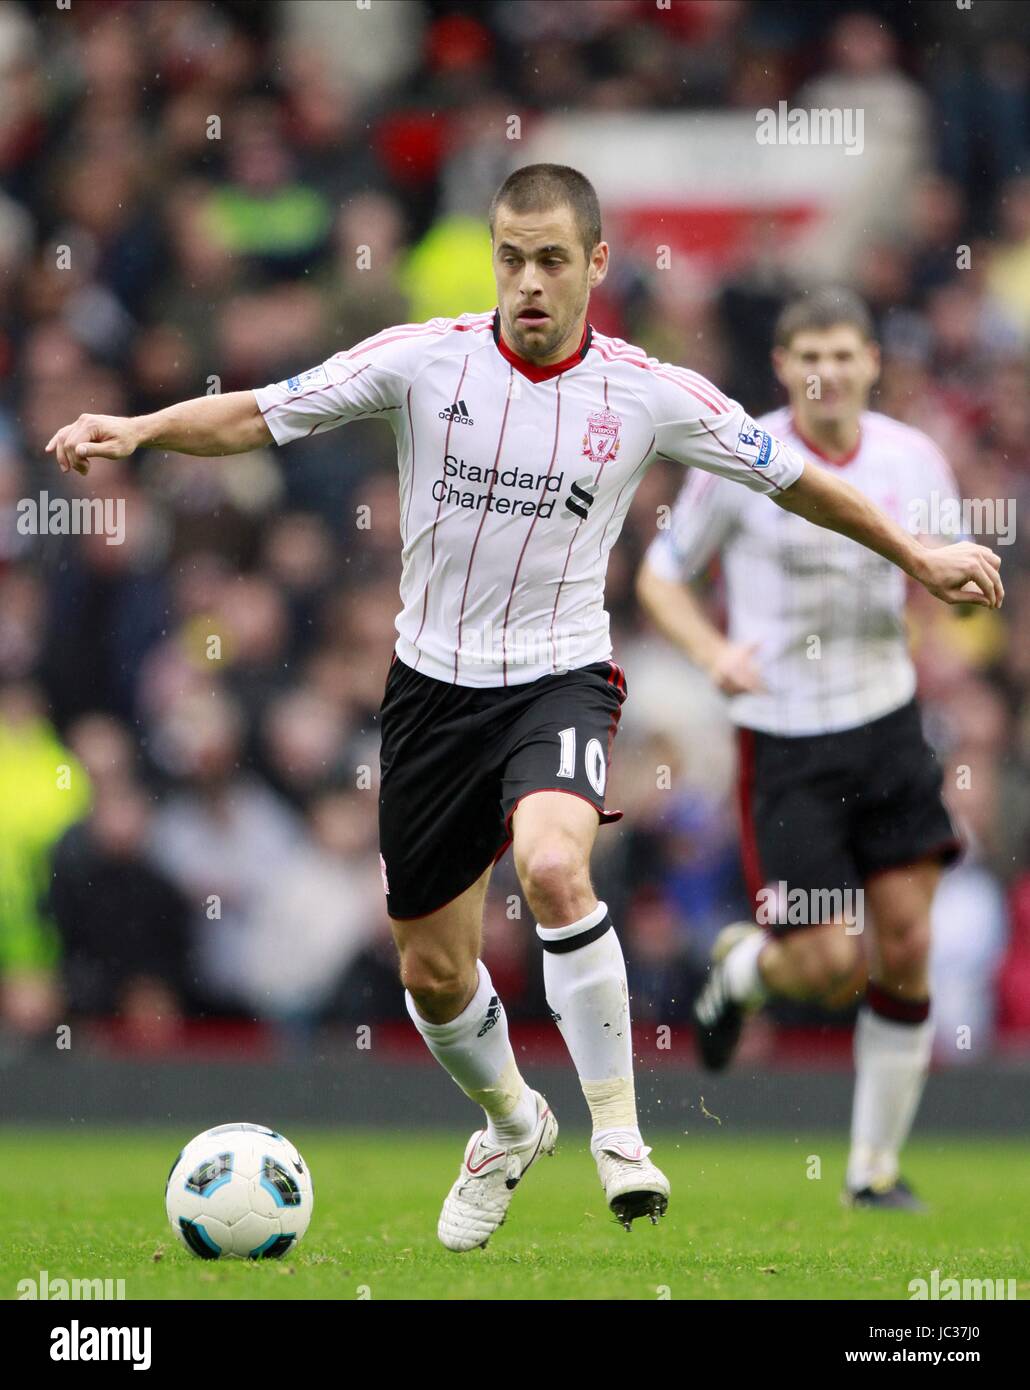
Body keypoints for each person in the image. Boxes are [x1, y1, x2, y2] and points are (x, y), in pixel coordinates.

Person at [47, 168, 1003, 1249]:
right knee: (433, 970)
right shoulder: (423, 360)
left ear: (596, 263)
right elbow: (263, 415)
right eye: (511, 257)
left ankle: (619, 1134)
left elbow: (791, 477)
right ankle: (510, 1121)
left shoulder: (649, 392)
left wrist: (915, 551)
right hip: (429, 693)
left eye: (552, 259)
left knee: (555, 867)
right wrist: (139, 428)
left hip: (559, 677)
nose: (529, 281)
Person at [636, 287, 979, 1208]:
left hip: (888, 723)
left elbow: (946, 567)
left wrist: (959, 588)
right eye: (808, 357)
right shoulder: (741, 457)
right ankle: (743, 971)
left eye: (843, 354)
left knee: (906, 940)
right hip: (786, 741)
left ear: (873, 362)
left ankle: (871, 1170)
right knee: (830, 965)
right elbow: (660, 578)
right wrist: (714, 652)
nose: (827, 372)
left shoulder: (916, 459)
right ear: (784, 368)